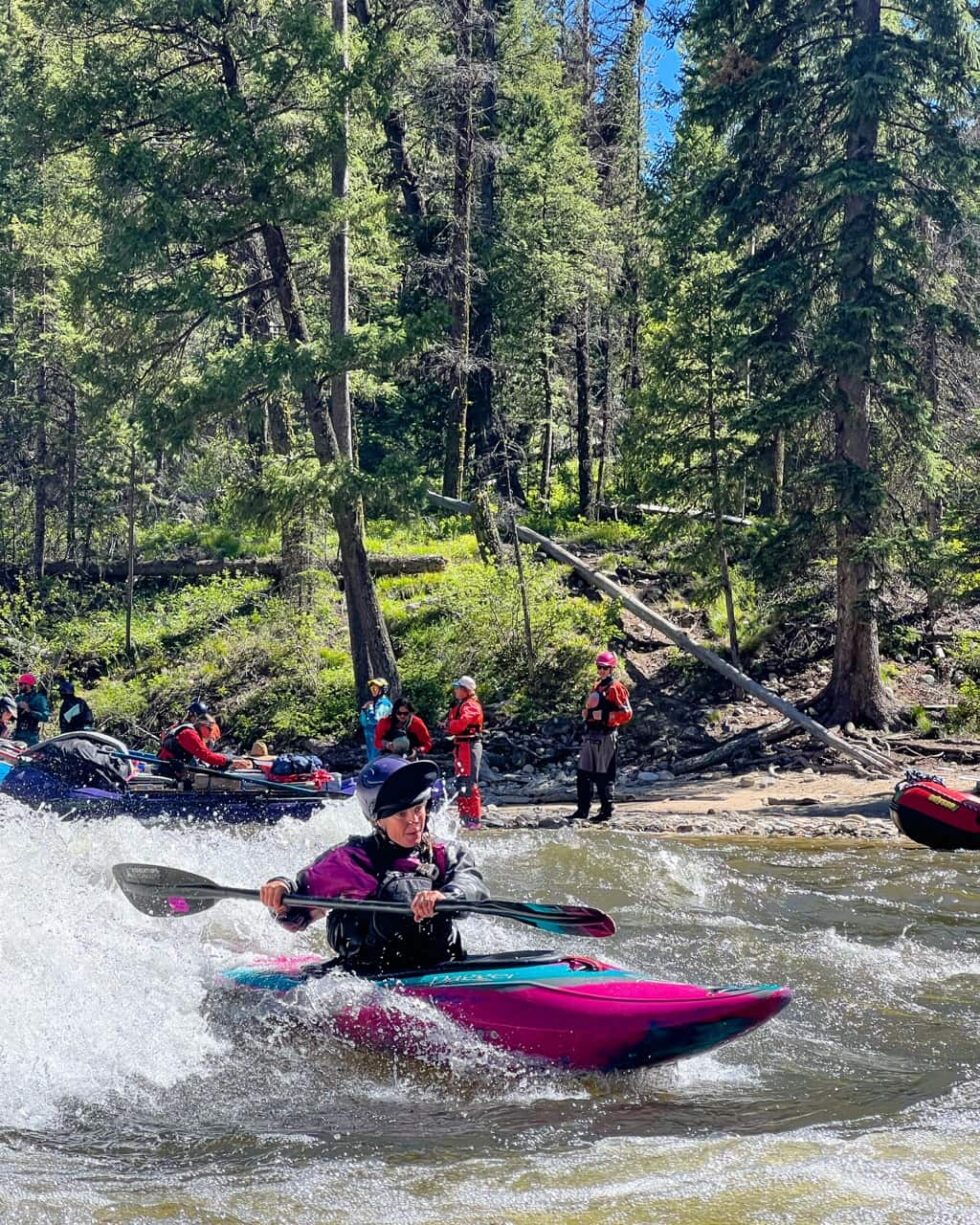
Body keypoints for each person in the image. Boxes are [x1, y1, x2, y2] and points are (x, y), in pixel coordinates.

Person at [259, 755, 488, 973]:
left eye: (418, 809)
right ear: (378, 820)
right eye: (401, 815)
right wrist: (280, 890)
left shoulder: (445, 854)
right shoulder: (350, 861)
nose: (414, 821)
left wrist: (446, 897)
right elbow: (294, 916)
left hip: (439, 966)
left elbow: (472, 885)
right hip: (365, 976)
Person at [566, 650, 632, 824]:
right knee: (583, 774)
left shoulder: (615, 688)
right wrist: (587, 714)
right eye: (599, 667)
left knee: (604, 775)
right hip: (591, 735)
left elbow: (626, 713)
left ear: (611, 669)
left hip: (606, 736)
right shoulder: (597, 686)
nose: (601, 670)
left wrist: (605, 717)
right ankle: (582, 810)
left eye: (605, 668)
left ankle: (606, 811)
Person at [158, 700, 251, 777]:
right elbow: (205, 756)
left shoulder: (191, 730)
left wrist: (229, 759)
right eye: (209, 729)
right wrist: (230, 762)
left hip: (174, 765)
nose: (211, 732)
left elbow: (206, 754)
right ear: (202, 725)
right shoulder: (189, 734)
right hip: (170, 769)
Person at [444, 676, 484, 829]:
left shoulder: (471, 706)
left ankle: (473, 819)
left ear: (465, 690)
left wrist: (450, 724)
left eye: (457, 688)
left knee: (469, 783)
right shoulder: (462, 705)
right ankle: (464, 817)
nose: (455, 690)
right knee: (461, 782)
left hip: (469, 746)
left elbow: (460, 725)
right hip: (462, 746)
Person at [359, 677, 392, 763]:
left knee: (379, 760)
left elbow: (377, 721)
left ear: (382, 689)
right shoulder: (373, 703)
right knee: (372, 759)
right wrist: (363, 710)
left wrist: (370, 710)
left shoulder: (384, 704)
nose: (373, 690)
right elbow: (363, 723)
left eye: (375, 688)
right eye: (372, 688)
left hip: (380, 737)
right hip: (370, 737)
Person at [14, 674, 50, 747]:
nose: (19, 686)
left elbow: (45, 717)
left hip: (31, 738)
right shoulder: (19, 698)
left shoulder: (39, 699)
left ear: (28, 685)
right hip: (17, 735)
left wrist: (29, 710)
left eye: (21, 684)